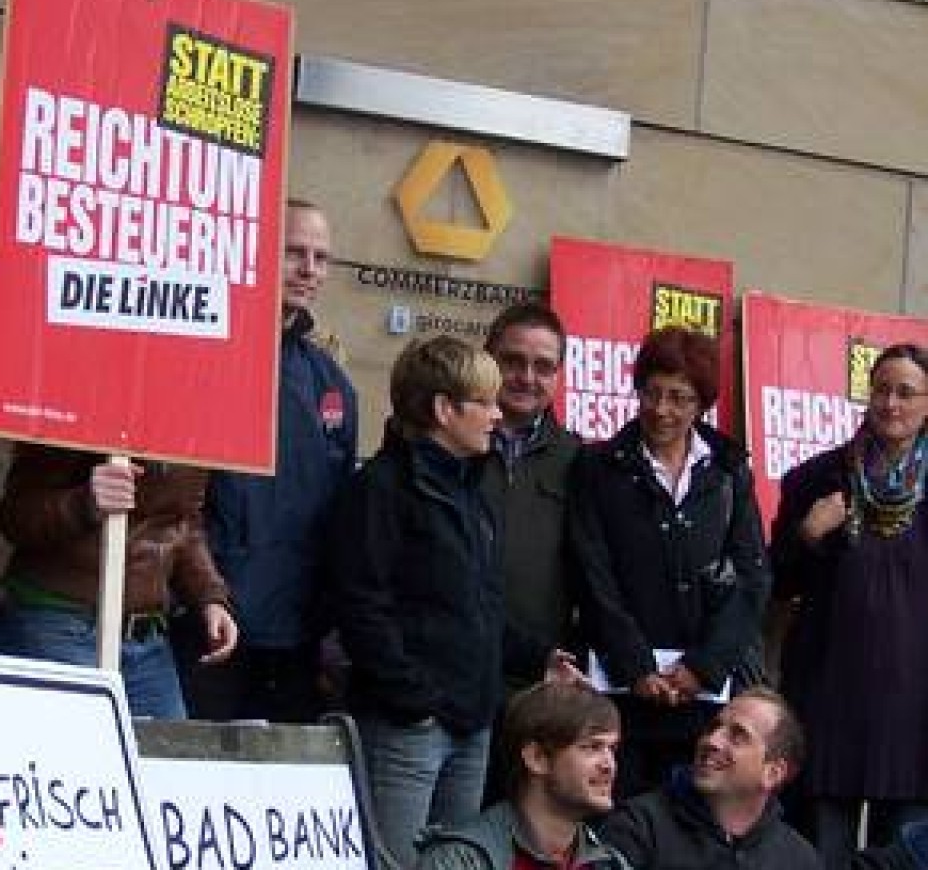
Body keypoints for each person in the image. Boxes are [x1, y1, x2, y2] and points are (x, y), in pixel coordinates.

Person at [326, 335, 578, 866]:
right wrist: (412, 701)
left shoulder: (471, 491)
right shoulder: (380, 488)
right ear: (443, 409)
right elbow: (360, 605)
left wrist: (538, 658)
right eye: (483, 402)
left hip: (471, 721)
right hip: (407, 728)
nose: (496, 414)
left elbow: (478, 605)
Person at [567, 326, 769, 797]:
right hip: (621, 694)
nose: (662, 410)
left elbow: (751, 575)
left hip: (704, 696)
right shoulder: (598, 468)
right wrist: (635, 667)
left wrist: (704, 667)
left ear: (701, 405)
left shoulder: (728, 471)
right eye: (652, 393)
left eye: (679, 398)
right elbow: (592, 574)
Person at [182, 198, 357, 722]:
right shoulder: (205, 354)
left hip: (298, 636)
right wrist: (200, 595)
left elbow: (339, 510)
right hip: (212, 622)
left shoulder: (331, 382)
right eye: (293, 253)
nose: (309, 270)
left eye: (321, 258)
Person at [771, 342, 928, 866]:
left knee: (903, 855)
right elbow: (773, 583)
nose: (890, 404)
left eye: (906, 392)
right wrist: (808, 535)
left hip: (913, 711)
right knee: (819, 853)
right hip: (827, 700)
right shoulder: (816, 480)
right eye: (881, 390)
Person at [0, 446, 238, 718]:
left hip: (146, 636)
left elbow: (184, 523)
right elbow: (16, 516)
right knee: (68, 754)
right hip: (60, 623)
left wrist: (209, 597)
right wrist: (83, 501)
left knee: (162, 752)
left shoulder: (191, 426)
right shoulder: (77, 413)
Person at [598, 687, 820, 870]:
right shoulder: (637, 827)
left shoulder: (799, 859)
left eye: (737, 735)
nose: (712, 741)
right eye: (713, 727)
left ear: (772, 773)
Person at [414, 682, 630, 870]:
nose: (609, 765)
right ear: (536, 758)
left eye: (612, 749)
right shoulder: (459, 860)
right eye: (592, 747)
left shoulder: (608, 864)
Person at [482, 303, 582, 689]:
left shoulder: (577, 460)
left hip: (540, 674)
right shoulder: (452, 446)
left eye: (543, 367)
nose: (527, 377)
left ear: (558, 375)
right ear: (487, 360)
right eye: (513, 361)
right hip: (455, 666)